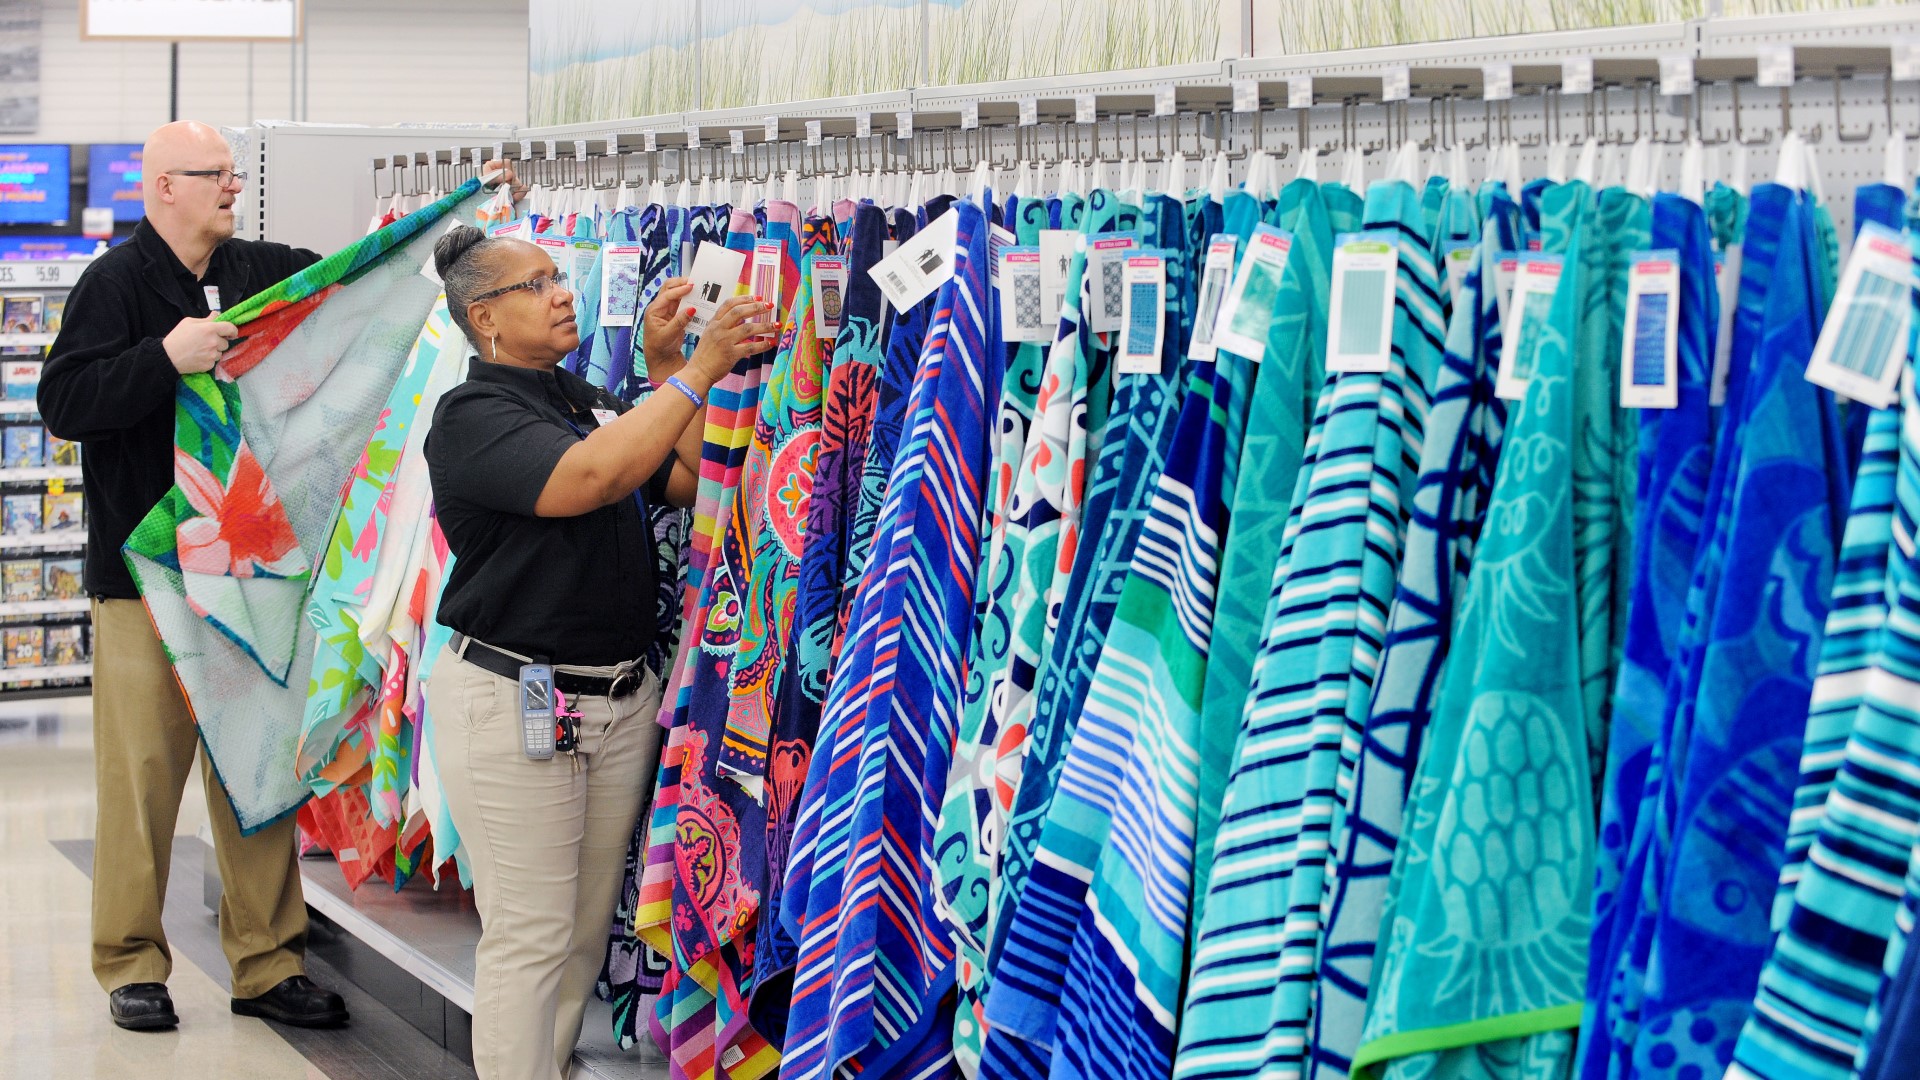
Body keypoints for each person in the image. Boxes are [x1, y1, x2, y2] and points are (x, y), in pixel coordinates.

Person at [422, 226, 772, 1080]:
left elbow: (685, 480)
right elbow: (589, 480)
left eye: (558, 276)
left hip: (614, 700)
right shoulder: (472, 417)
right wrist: (697, 372)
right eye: (536, 283)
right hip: (517, 696)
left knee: (579, 929)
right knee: (531, 932)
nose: (562, 292)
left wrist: (661, 372)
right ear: (485, 318)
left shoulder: (576, 397)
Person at [38, 120, 354, 1032]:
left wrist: (452, 236)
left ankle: (268, 962)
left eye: (232, 173)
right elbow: (64, 401)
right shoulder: (112, 284)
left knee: (254, 774)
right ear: (163, 187)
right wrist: (161, 360)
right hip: (144, 581)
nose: (232, 186)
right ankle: (130, 963)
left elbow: (351, 278)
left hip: (249, 573)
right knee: (139, 779)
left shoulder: (261, 269)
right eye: (214, 174)